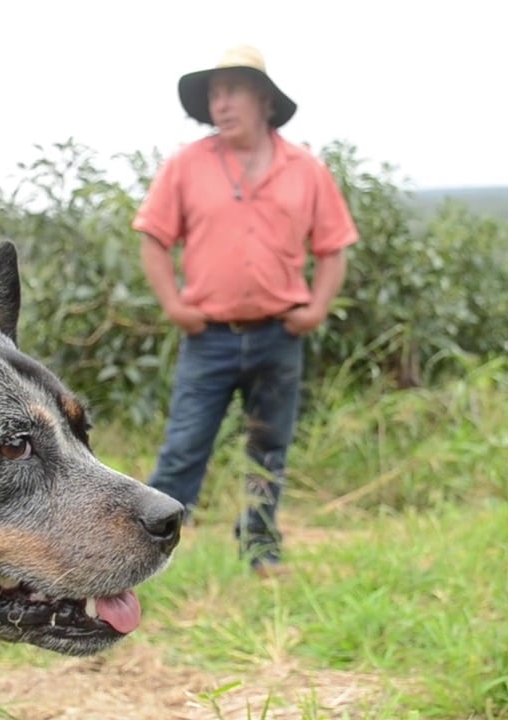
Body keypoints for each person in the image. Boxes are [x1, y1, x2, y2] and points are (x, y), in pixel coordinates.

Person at [132, 45, 359, 577]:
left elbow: (334, 248)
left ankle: (260, 547)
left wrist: (317, 309)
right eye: (214, 93)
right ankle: (141, 559)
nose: (221, 102)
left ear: (263, 99)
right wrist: (174, 305)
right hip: (207, 336)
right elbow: (152, 239)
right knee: (184, 447)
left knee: (269, 446)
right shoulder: (186, 166)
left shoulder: (306, 170)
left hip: (280, 336)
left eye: (232, 90)